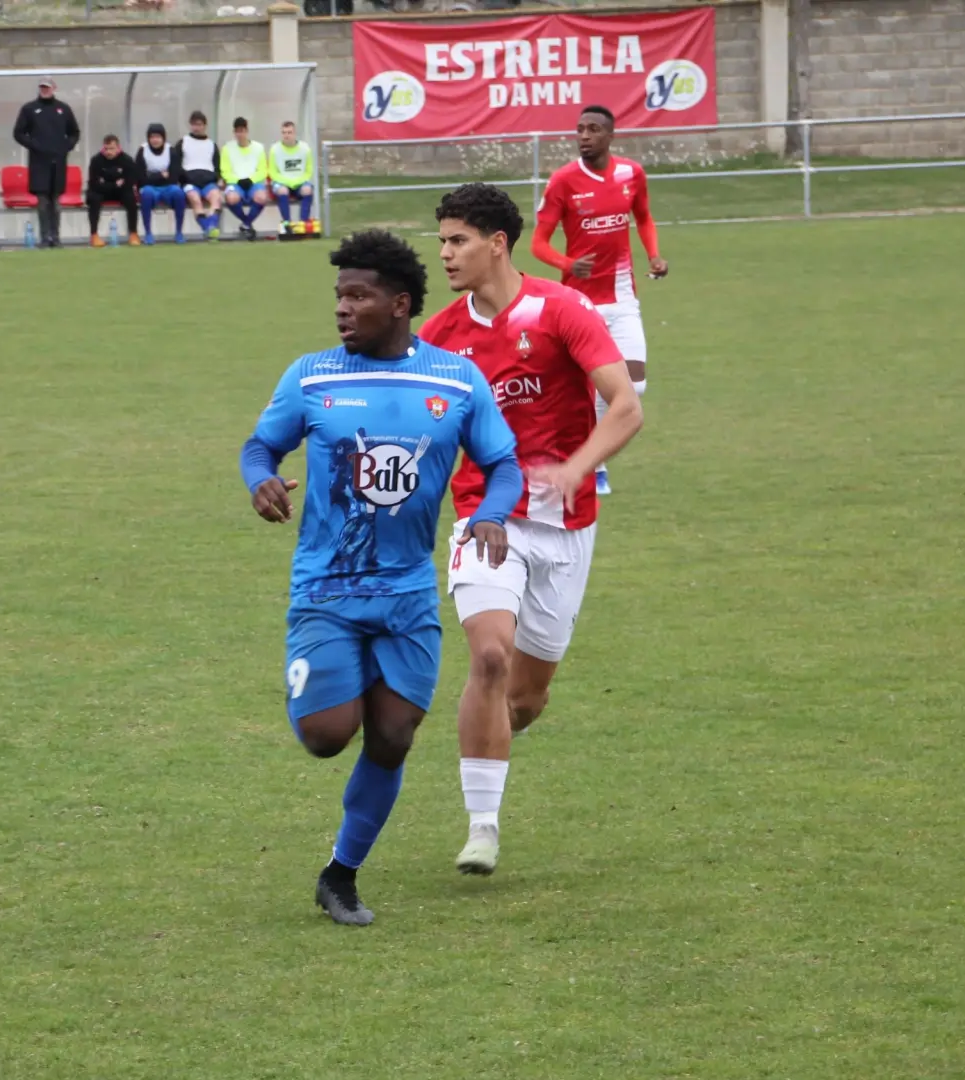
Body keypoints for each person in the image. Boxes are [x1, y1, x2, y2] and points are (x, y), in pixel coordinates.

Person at [239, 229, 524, 926]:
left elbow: (504, 464)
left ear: (399, 305)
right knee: (327, 735)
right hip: (327, 591)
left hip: (406, 595)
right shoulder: (311, 376)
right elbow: (260, 445)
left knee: (394, 735)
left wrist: (489, 513)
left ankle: (340, 875)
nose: (343, 308)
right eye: (339, 295)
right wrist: (262, 480)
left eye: (358, 296)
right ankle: (333, 675)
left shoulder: (454, 381)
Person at [417, 183, 643, 877]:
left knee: (526, 696)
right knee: (489, 656)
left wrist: (576, 468)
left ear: (497, 244)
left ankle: (491, 736)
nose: (446, 254)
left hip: (566, 528)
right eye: (443, 240)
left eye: (457, 240)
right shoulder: (440, 337)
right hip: (488, 519)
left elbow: (625, 406)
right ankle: (481, 826)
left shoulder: (562, 309)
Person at [530, 104, 667, 495]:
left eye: (593, 129)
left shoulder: (631, 174)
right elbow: (539, 243)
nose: (584, 136)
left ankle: (593, 455)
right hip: (579, 304)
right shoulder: (563, 181)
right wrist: (569, 263)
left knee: (634, 386)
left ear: (610, 135)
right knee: (578, 387)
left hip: (623, 299)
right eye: (580, 129)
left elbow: (643, 218)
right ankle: (597, 465)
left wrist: (653, 254)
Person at [11, 78, 80, 248]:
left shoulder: (63, 109)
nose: (45, 90)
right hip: (39, 162)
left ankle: (55, 238)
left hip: (58, 161)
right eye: (42, 87)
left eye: (47, 87)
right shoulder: (29, 109)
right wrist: (34, 145)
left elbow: (74, 132)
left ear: (54, 88)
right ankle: (44, 238)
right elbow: (18, 133)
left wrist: (66, 146)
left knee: (56, 202)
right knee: (42, 202)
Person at [134, 123, 188, 245]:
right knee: (146, 193)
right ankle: (148, 233)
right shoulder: (142, 151)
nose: (155, 140)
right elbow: (141, 178)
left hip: (168, 188)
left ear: (163, 138)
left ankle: (179, 232)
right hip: (150, 189)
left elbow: (173, 177)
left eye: (158, 137)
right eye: (152, 137)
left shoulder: (171, 151)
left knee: (179, 193)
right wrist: (160, 176)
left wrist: (151, 176)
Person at [85, 135, 142, 247]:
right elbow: (94, 183)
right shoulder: (96, 160)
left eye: (111, 148)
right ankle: (94, 235)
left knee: (130, 198)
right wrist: (115, 184)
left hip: (120, 192)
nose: (108, 152)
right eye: (106, 148)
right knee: (93, 198)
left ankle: (133, 233)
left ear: (118, 148)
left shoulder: (127, 160)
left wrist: (105, 182)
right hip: (102, 192)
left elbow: (130, 182)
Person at [221, 117, 269, 241]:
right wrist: (237, 181)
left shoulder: (258, 148)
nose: (240, 134)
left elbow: (263, 170)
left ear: (247, 131)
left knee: (262, 197)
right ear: (234, 132)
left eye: (242, 131)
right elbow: (225, 170)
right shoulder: (227, 148)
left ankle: (246, 224)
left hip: (254, 183)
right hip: (236, 183)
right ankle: (247, 223)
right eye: (237, 131)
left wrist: (251, 180)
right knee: (231, 198)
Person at [178, 110, 223, 241]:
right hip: (190, 182)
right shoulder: (183, 143)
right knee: (195, 200)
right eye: (194, 124)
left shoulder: (211, 145)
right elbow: (177, 165)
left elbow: (217, 167)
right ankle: (209, 229)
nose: (197, 127)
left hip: (208, 182)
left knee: (216, 198)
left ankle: (210, 228)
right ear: (190, 125)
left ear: (205, 125)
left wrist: (215, 178)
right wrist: (184, 178)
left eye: (199, 124)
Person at [267, 120, 318, 236]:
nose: (286, 135)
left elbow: (308, 171)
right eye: (284, 133)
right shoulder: (275, 149)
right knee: (282, 190)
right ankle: (287, 223)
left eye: (289, 132)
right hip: (282, 183)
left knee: (307, 189)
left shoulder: (305, 149)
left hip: (299, 182)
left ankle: (302, 224)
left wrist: (296, 182)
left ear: (295, 134)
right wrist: (287, 182)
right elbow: (272, 172)